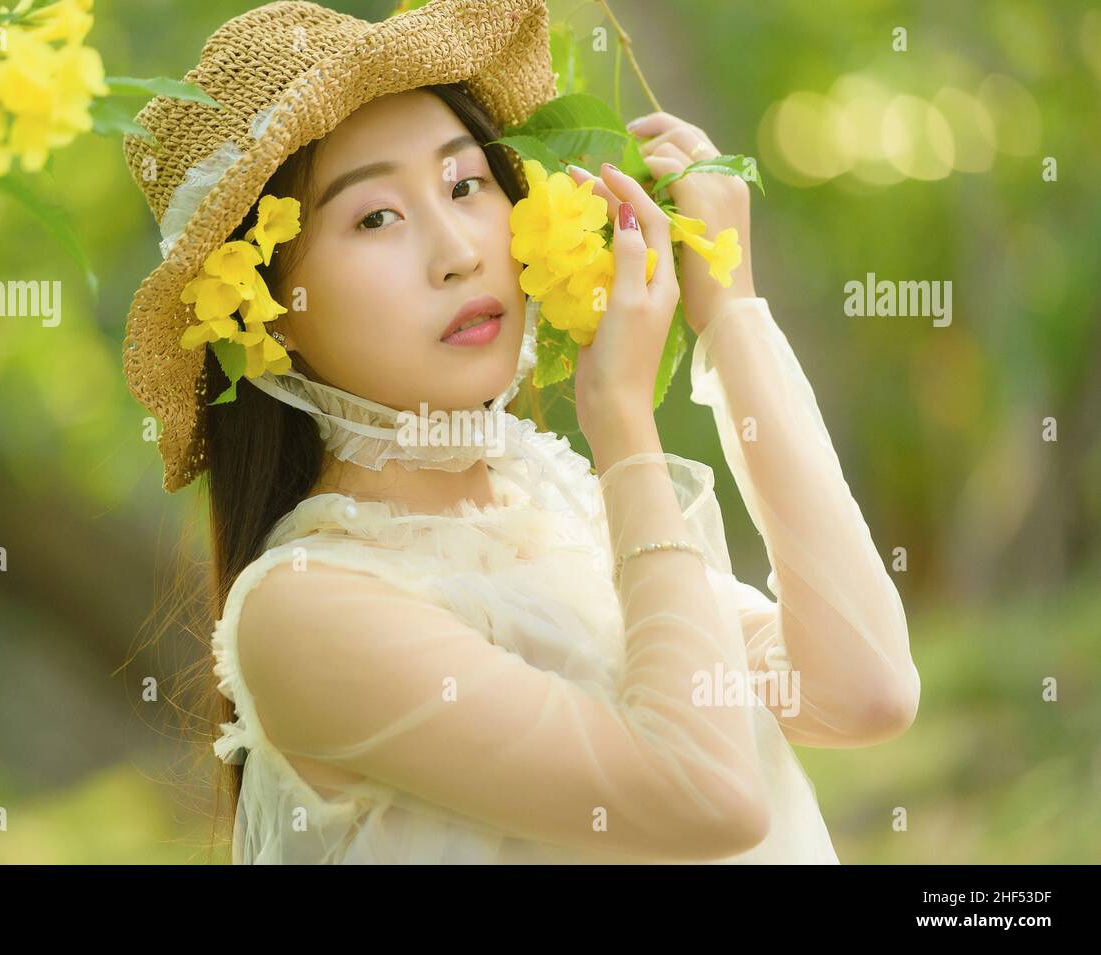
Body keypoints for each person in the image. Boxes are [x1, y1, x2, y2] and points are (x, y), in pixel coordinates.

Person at [121, 0, 921, 864]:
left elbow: (861, 687)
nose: (459, 249)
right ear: (270, 317)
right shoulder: (304, 607)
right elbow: (707, 796)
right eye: (374, 218)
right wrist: (619, 418)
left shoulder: (567, 516)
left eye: (466, 184)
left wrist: (731, 309)